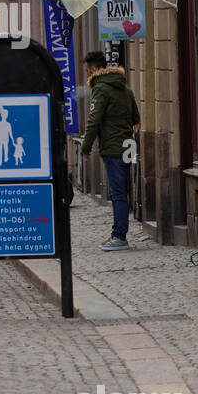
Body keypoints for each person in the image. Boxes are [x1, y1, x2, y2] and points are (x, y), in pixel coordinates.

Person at [81, 50, 141, 252]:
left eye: (87, 71)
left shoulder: (100, 89)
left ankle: (119, 236)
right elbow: (136, 119)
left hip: (113, 147)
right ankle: (119, 232)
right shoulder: (125, 89)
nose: (88, 75)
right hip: (127, 146)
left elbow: (93, 120)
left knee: (117, 193)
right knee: (123, 191)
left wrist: (86, 146)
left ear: (94, 69)